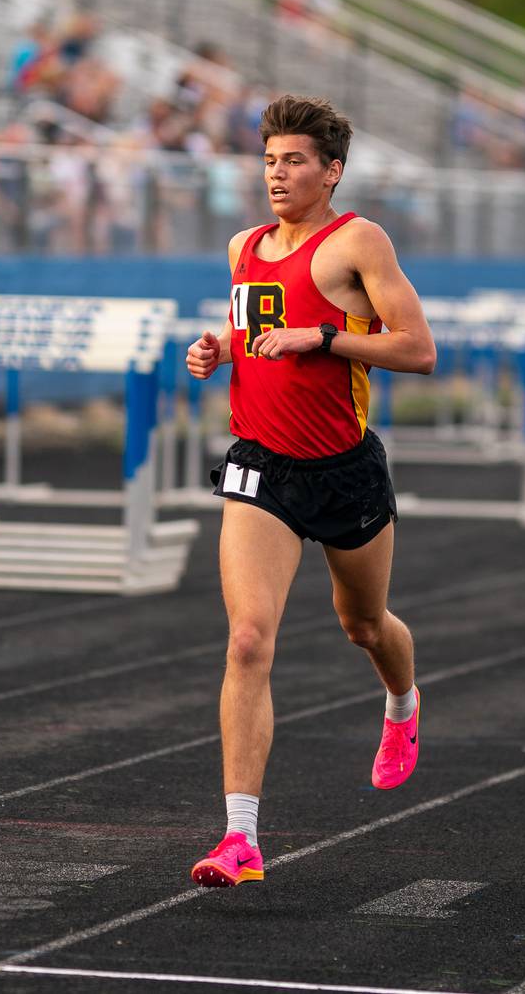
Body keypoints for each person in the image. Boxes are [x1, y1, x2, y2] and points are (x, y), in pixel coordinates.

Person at [184, 95, 436, 888]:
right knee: (248, 639)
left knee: (363, 624)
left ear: (330, 171)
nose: (277, 174)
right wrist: (221, 346)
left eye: (293, 161)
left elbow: (417, 348)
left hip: (345, 467)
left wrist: (324, 339)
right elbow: (260, 325)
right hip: (262, 466)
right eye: (268, 160)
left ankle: (402, 704)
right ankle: (241, 837)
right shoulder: (244, 245)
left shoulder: (358, 241)